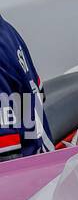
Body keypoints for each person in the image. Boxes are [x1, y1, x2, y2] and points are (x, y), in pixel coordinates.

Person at [0, 13, 53, 158]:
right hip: (42, 156)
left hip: (29, 173)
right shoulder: (6, 29)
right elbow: (38, 94)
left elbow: (7, 158)